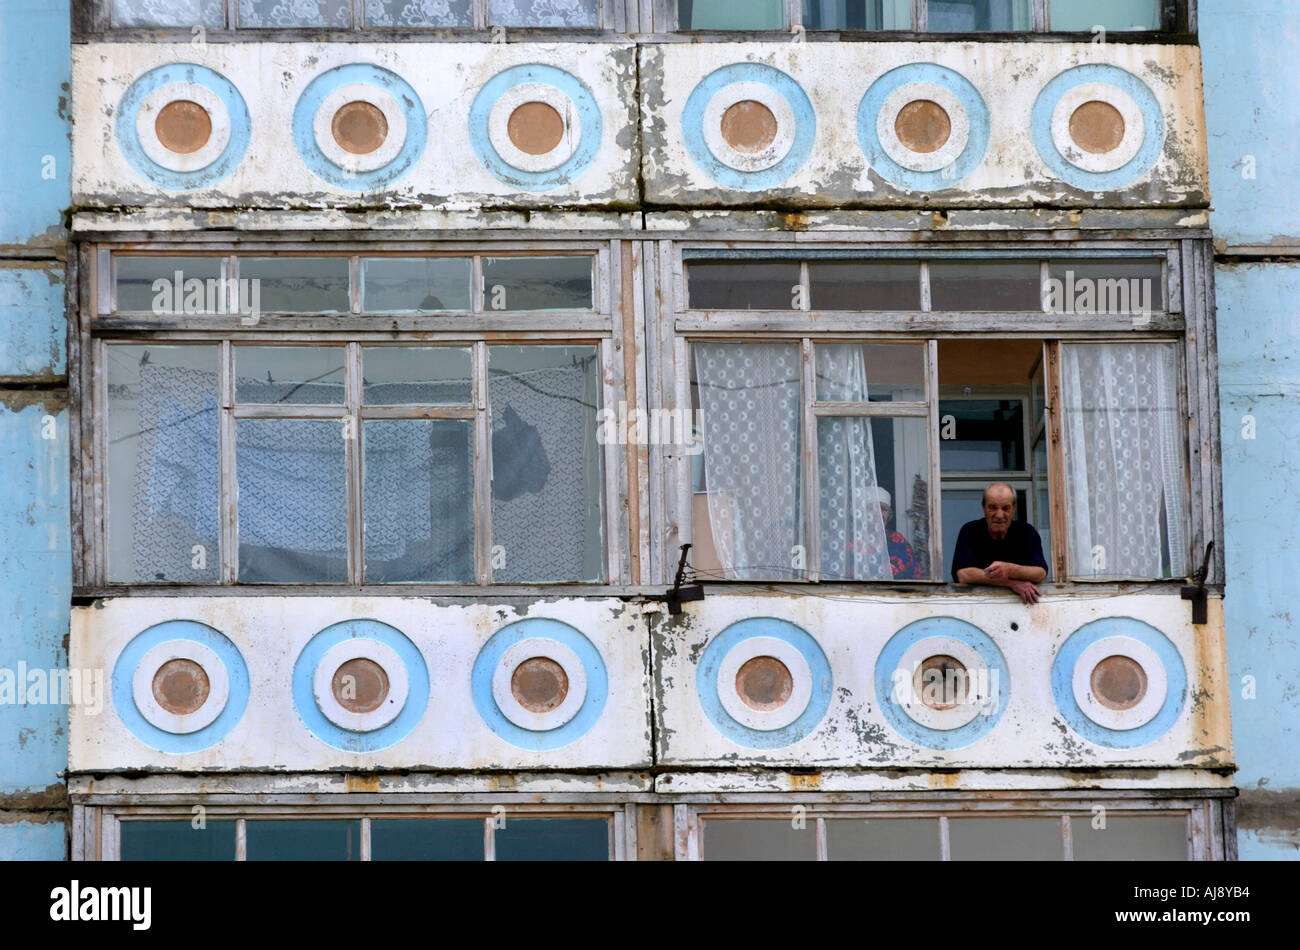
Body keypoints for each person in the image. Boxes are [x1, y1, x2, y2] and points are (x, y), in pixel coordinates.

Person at [951, 482, 1048, 604]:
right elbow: (964, 575)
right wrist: (1011, 583)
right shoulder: (970, 530)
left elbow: (1040, 573)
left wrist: (1009, 569)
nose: (999, 515)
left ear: (1014, 509)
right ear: (984, 508)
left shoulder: (1027, 532)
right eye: (993, 508)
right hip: (977, 606)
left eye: (1006, 508)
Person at [875, 487, 922, 580]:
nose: (879, 514)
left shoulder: (897, 540)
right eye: (875, 508)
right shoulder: (853, 544)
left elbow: (915, 576)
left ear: (889, 515)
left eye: (884, 509)